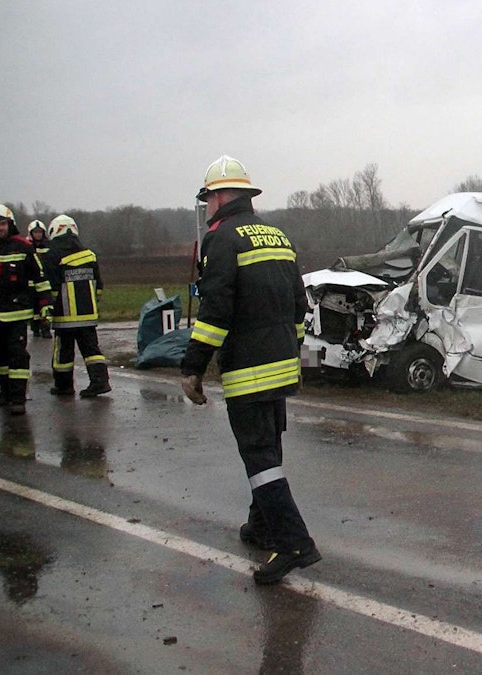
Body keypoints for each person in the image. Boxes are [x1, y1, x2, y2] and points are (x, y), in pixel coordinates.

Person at [180, 155, 319, 585]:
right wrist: (290, 347)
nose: (207, 208)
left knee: (259, 459)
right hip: (281, 364)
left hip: (250, 368)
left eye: (208, 200)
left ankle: (294, 543)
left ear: (219, 197)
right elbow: (300, 303)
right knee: (269, 450)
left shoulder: (221, 240)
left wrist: (193, 366)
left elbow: (215, 311)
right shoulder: (276, 235)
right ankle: (261, 526)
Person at [0, 203, 52, 415]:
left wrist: (45, 306)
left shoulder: (23, 246)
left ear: (10, 223)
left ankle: (18, 398)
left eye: (2, 223)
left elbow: (40, 279)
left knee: (18, 355)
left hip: (17, 313)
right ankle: (5, 392)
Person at [42, 215, 110, 397]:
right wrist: (94, 304)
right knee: (92, 350)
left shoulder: (52, 255)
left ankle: (64, 386)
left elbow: (52, 287)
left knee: (63, 353)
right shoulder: (89, 254)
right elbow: (99, 285)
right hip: (87, 315)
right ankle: (100, 382)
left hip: (64, 315)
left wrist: (48, 310)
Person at [27, 221, 52, 338]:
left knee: (46, 305)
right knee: (34, 307)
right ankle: (35, 327)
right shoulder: (27, 246)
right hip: (31, 282)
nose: (38, 234)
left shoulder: (48, 246)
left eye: (40, 232)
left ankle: (46, 328)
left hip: (46, 281)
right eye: (35, 232)